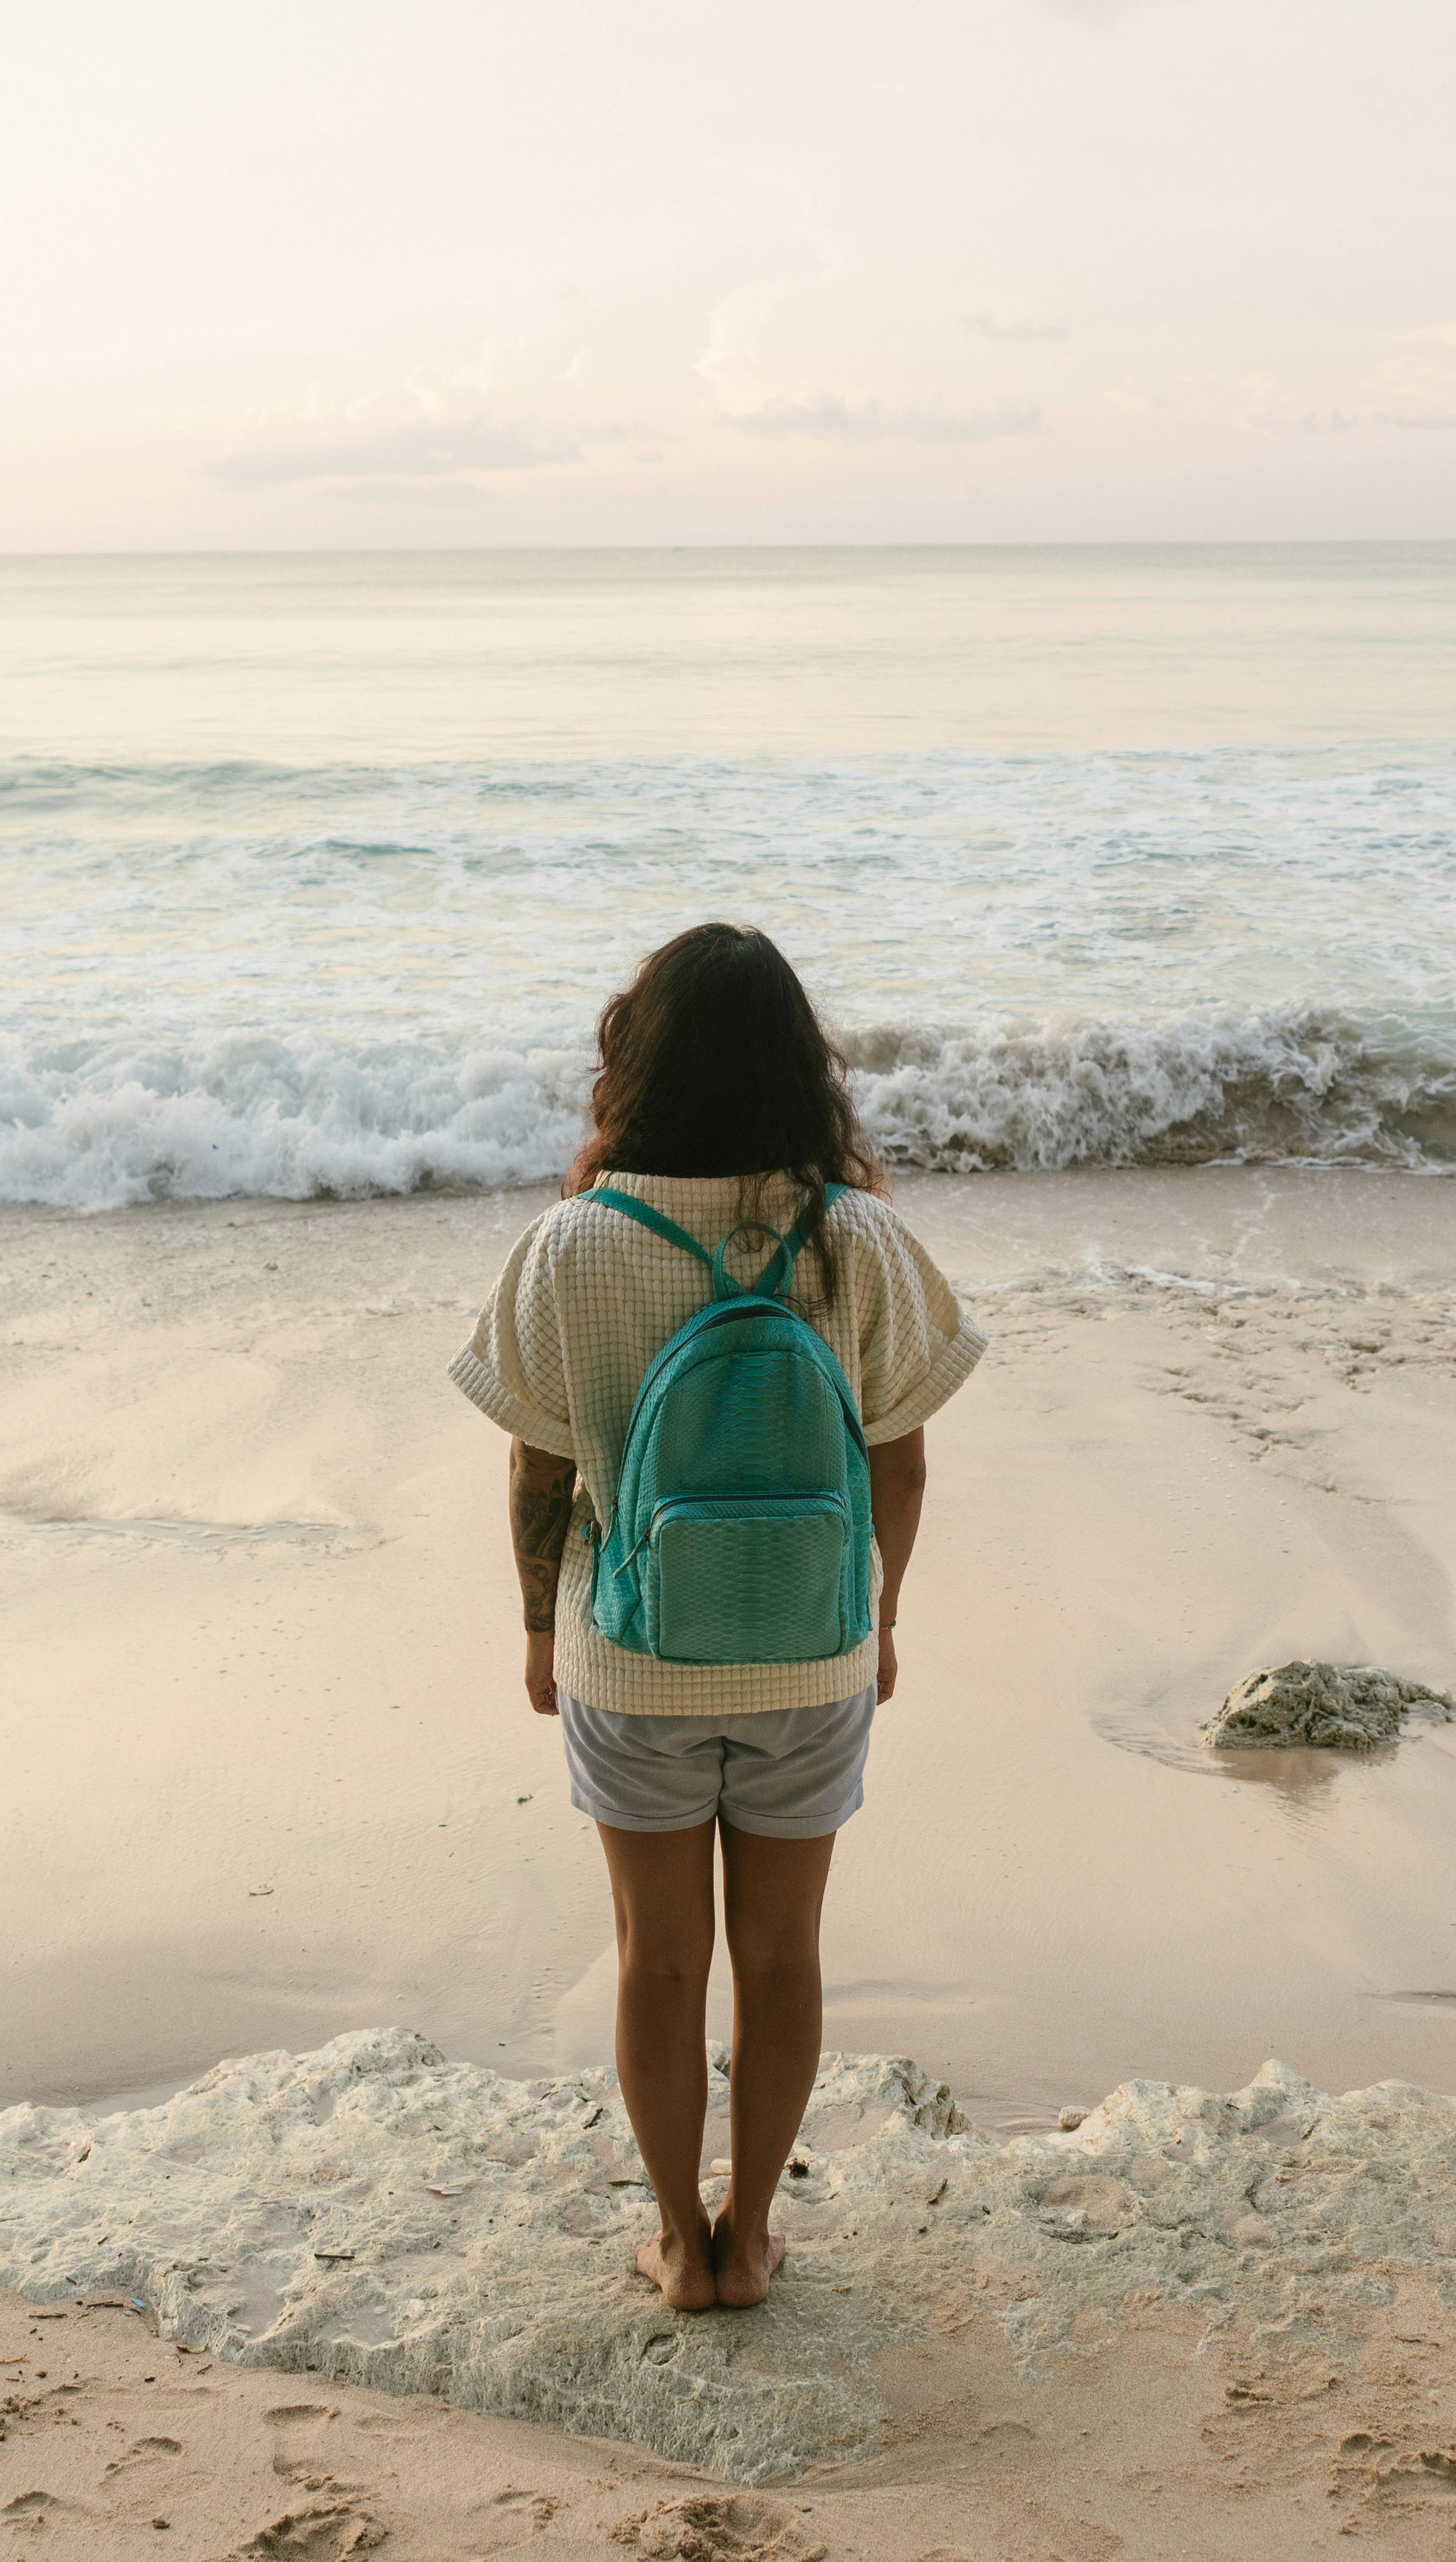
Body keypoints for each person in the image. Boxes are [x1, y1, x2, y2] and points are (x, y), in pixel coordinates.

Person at [450, 924, 985, 2310]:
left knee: (659, 1955)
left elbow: (539, 1462)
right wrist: (877, 1617)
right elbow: (902, 1454)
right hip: (809, 1646)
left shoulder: (574, 1246)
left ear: (638, 1060)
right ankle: (755, 2234)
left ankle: (678, 2243)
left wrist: (531, 1630)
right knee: (787, 1953)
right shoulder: (858, 1237)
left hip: (633, 1653)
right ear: (801, 1068)